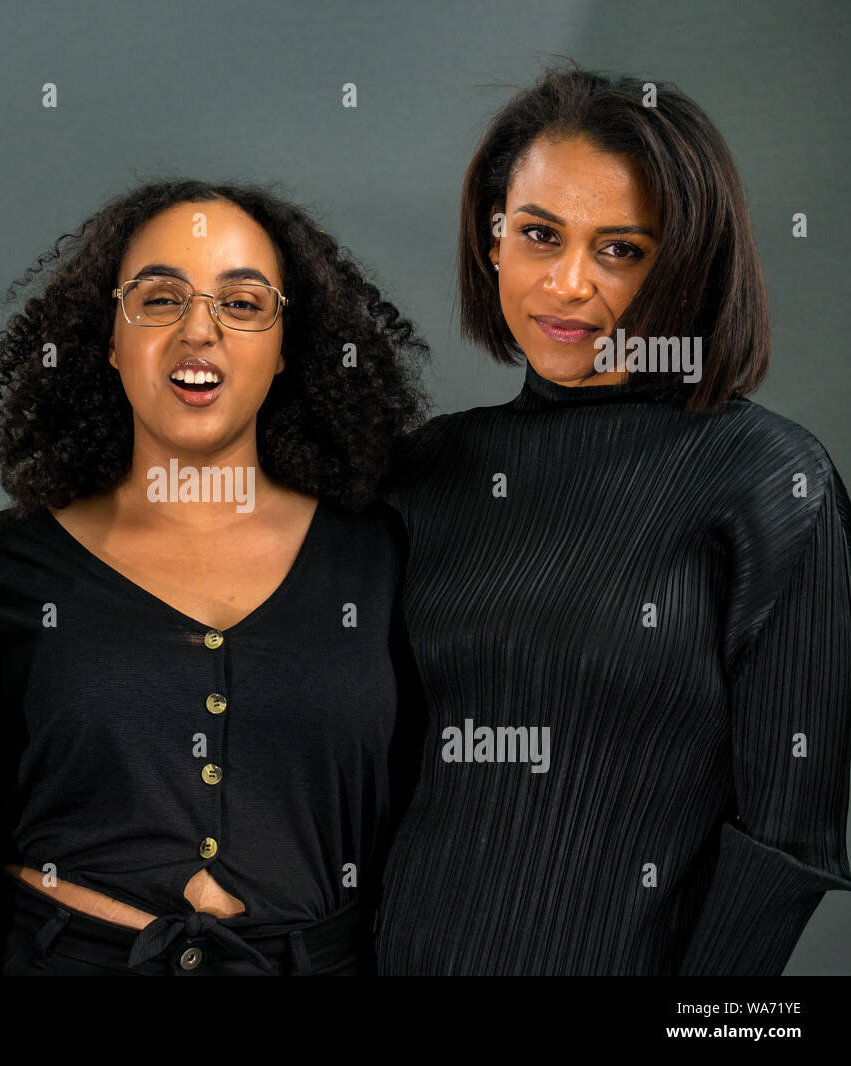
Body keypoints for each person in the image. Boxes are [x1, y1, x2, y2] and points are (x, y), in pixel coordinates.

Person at [377, 65, 851, 976]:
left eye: (622, 250)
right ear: (492, 239)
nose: (567, 284)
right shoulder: (420, 472)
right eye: (539, 234)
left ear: (687, 264)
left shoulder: (772, 483)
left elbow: (789, 842)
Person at [0, 180, 427, 975]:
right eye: (160, 298)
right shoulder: (9, 564)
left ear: (284, 349)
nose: (197, 330)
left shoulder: (376, 555)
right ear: (108, 336)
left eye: (241, 305)